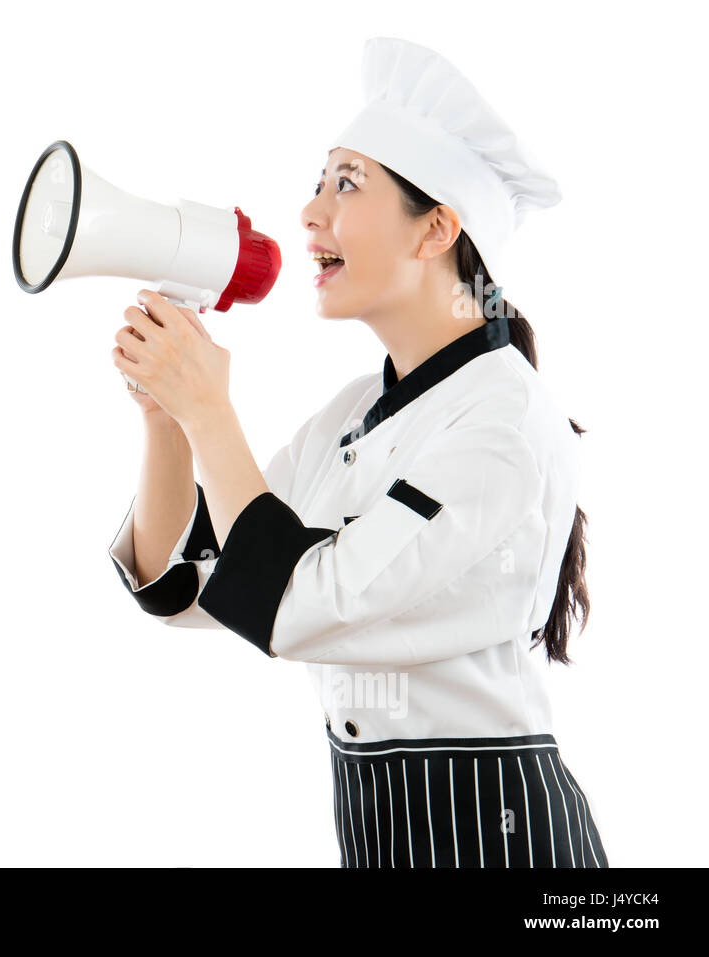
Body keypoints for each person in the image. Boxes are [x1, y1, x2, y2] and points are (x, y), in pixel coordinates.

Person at [107, 37, 607, 868]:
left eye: (347, 184)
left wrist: (211, 409)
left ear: (437, 228)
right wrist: (169, 422)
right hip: (381, 836)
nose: (309, 214)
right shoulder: (356, 413)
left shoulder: (504, 419)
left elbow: (299, 606)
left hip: (501, 839)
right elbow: (191, 584)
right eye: (317, 183)